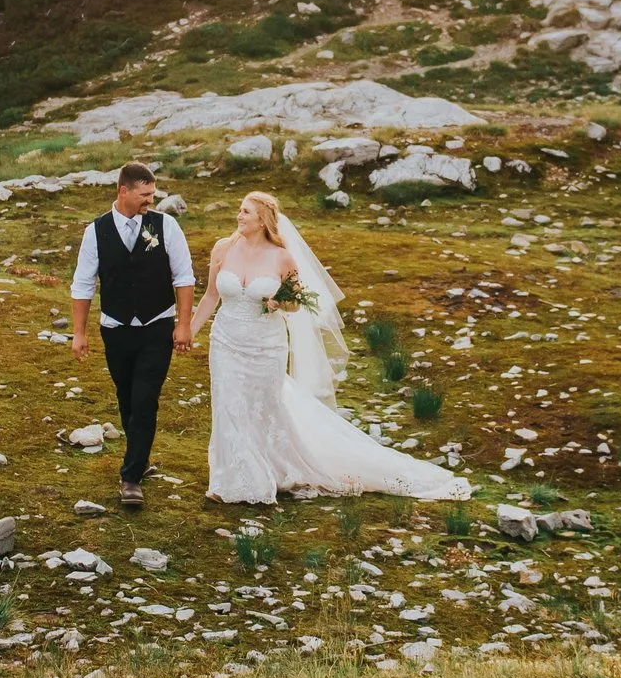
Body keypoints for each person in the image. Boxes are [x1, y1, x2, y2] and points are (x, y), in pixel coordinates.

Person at [189, 190, 471, 505]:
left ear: (262, 220)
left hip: (265, 346)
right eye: (240, 210)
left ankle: (272, 465)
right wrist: (187, 331)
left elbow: (295, 305)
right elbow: (211, 296)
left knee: (263, 407)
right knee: (228, 404)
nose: (239, 216)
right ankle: (229, 480)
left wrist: (279, 301)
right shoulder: (224, 248)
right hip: (226, 340)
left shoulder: (282, 257)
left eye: (245, 212)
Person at [68, 162, 195, 509]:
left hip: (157, 326)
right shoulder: (95, 231)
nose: (150, 202)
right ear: (123, 191)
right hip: (116, 329)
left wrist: (183, 325)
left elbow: (183, 278)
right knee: (127, 399)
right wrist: (79, 334)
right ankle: (138, 453)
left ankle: (131, 477)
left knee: (144, 400)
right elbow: (82, 285)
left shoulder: (165, 226)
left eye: (152, 195)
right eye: (144, 195)